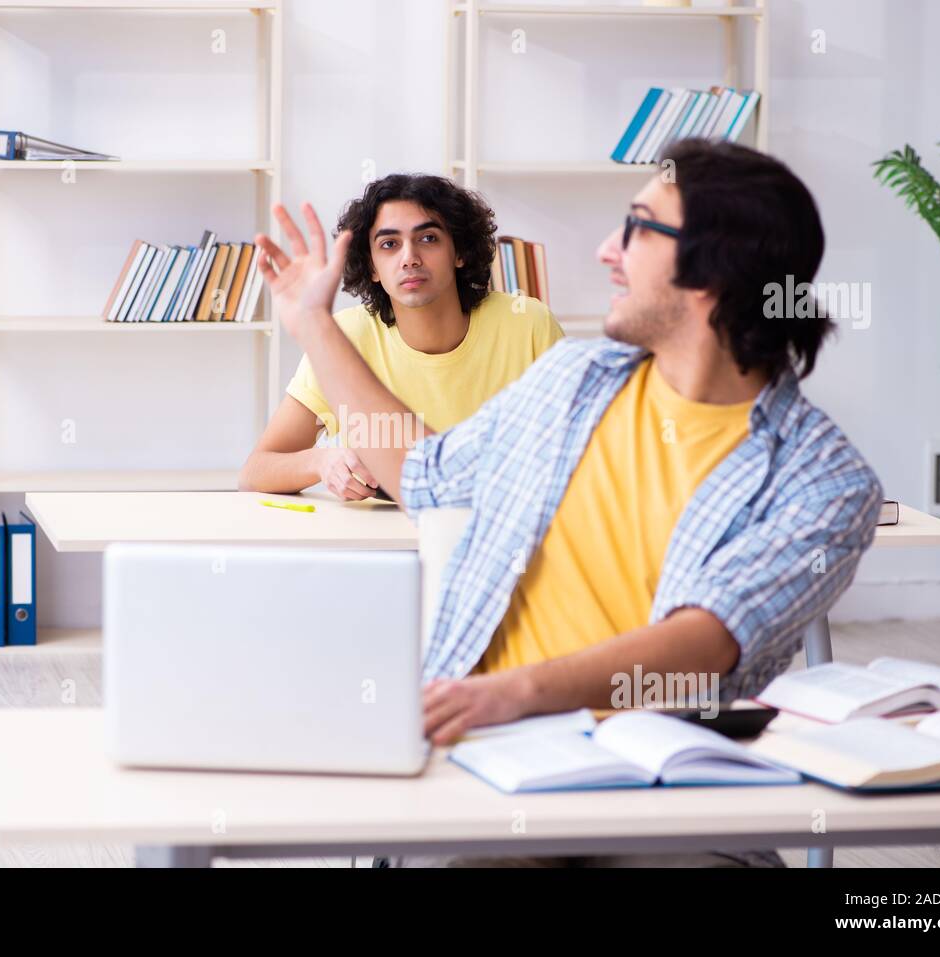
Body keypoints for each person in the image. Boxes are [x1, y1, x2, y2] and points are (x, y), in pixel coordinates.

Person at [253, 139, 883, 868]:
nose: (606, 251)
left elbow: (706, 641)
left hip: (673, 793)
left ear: (714, 269)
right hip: (491, 766)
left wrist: (510, 694)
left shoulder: (826, 479)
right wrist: (315, 325)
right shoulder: (573, 378)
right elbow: (425, 476)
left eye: (638, 228)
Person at [238, 173, 562, 500]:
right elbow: (255, 472)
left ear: (459, 252)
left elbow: (573, 458)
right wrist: (322, 461)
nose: (409, 258)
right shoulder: (344, 336)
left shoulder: (528, 324)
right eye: (389, 244)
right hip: (374, 541)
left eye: (428, 238)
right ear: (372, 267)